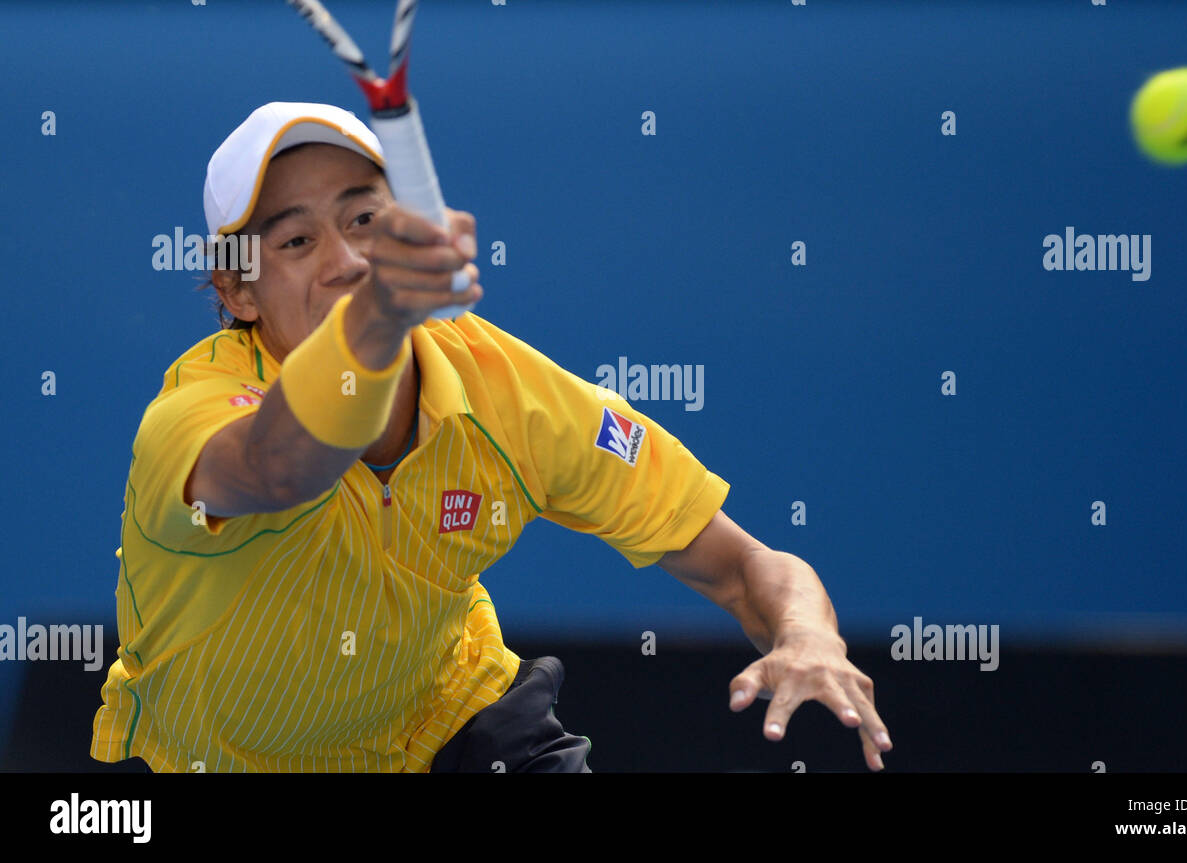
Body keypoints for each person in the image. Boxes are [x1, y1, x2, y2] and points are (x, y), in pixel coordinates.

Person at [89, 102, 892, 772]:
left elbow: (744, 566)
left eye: (364, 219)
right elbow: (282, 464)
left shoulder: (503, 389)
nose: (343, 260)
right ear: (238, 287)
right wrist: (376, 319)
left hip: (451, 728)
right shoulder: (199, 413)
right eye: (297, 241)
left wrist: (807, 633)